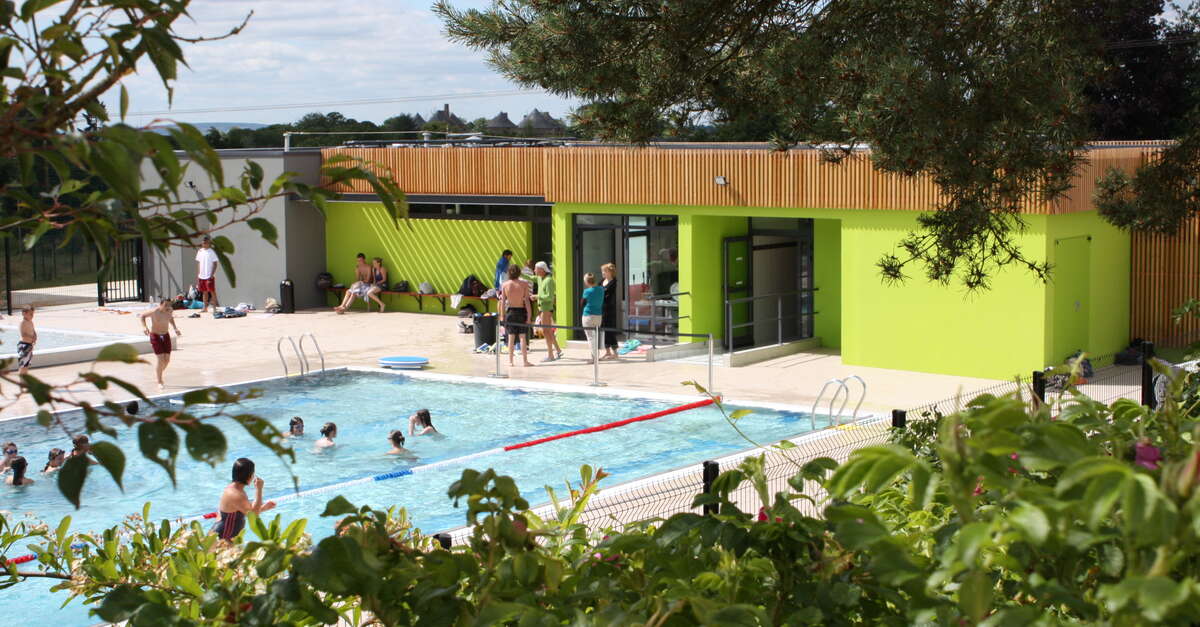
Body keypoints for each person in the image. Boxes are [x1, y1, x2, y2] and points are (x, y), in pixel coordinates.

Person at [213, 458, 276, 541]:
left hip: (220, 534)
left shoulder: (233, 489)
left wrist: (264, 508)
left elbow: (247, 511)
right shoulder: (236, 494)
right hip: (224, 538)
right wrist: (259, 489)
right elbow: (254, 515)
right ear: (249, 476)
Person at [139, 299, 182, 391]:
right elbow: (142, 316)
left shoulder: (169, 311)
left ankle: (158, 373)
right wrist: (144, 327)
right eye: (165, 305)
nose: (167, 307)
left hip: (166, 335)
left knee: (167, 360)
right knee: (160, 359)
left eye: (169, 305)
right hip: (155, 335)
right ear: (161, 305)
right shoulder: (154, 312)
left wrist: (175, 328)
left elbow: (170, 318)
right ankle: (159, 381)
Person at [499, 263, 533, 367]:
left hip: (510, 312)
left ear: (509, 273)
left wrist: (502, 316)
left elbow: (503, 302)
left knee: (511, 337)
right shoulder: (524, 284)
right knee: (522, 337)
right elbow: (527, 301)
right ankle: (525, 361)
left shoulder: (505, 284)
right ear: (519, 272)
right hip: (521, 311)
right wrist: (529, 316)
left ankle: (510, 361)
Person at [534, 261, 562, 362]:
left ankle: (551, 355)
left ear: (542, 269)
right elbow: (530, 278)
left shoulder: (549, 280)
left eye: (536, 269)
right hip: (542, 309)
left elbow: (550, 297)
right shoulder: (540, 278)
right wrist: (519, 273)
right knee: (548, 331)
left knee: (546, 332)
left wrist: (537, 296)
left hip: (546, 309)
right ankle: (558, 350)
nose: (534, 271)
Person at [580, 273, 605, 364]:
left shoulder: (587, 291)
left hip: (588, 315)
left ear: (587, 282)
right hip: (598, 315)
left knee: (590, 338)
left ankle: (594, 358)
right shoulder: (601, 289)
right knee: (596, 337)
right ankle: (596, 356)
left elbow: (582, 304)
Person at [600, 262, 621, 361]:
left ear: (609, 272)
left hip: (609, 309)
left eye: (604, 271)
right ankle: (607, 352)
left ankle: (615, 352)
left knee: (610, 330)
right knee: (604, 330)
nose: (603, 273)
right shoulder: (602, 281)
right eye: (602, 271)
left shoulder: (613, 282)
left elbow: (606, 294)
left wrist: (600, 292)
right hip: (601, 308)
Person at [195, 236, 220, 313]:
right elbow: (199, 263)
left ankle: (215, 308)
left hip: (209, 275)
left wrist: (212, 274)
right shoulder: (200, 251)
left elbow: (215, 264)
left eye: (206, 242)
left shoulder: (211, 252)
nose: (204, 243)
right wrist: (199, 273)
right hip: (201, 276)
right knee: (204, 292)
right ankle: (204, 308)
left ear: (209, 243)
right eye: (203, 242)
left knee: (212, 291)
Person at [16, 305, 36, 375]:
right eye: (30, 314)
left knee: (27, 364)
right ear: (24, 313)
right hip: (23, 345)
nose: (32, 315)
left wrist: (35, 336)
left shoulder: (31, 322)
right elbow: (23, 334)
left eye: (33, 314)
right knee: (23, 365)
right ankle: (21, 378)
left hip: (29, 345)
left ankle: (25, 377)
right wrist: (32, 337)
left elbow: (33, 331)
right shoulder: (23, 323)